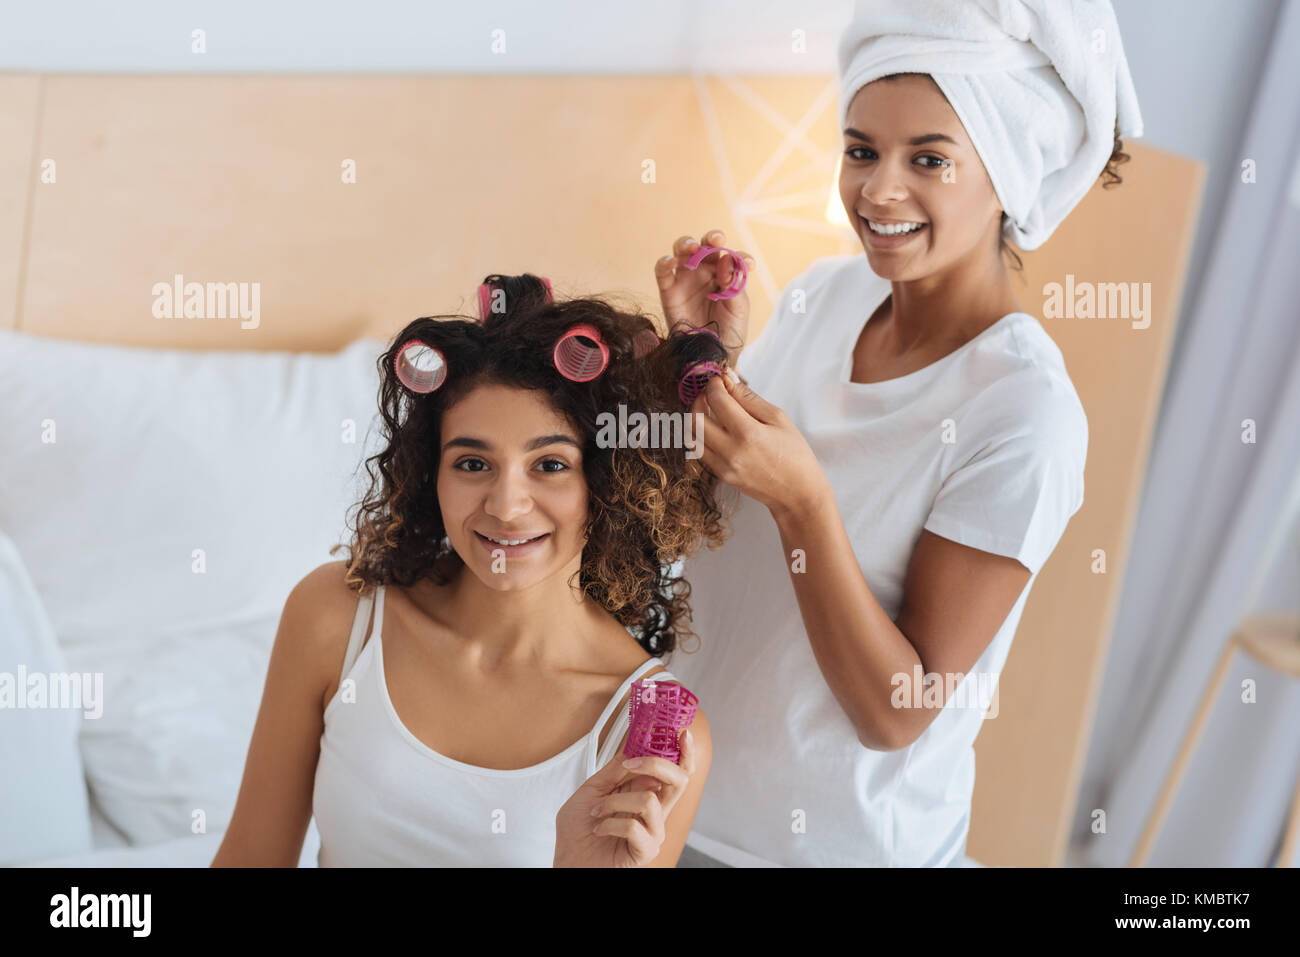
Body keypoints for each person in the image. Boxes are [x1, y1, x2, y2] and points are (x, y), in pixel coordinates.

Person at [652, 0, 1143, 866]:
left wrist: (806, 502)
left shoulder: (1023, 412)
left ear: (1008, 174)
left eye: (930, 159)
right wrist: (706, 361)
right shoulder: (823, 297)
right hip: (683, 812)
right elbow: (697, 524)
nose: (879, 189)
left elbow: (897, 708)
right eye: (861, 150)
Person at [212, 274, 730, 867]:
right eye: (474, 462)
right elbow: (248, 858)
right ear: (432, 473)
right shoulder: (337, 617)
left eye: (551, 464)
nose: (506, 506)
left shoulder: (647, 732)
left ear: (608, 482)